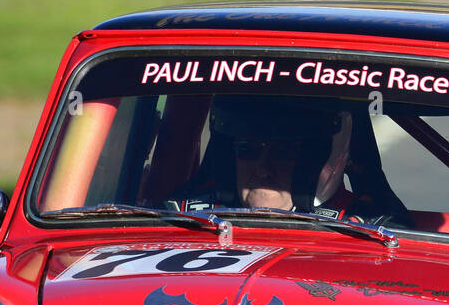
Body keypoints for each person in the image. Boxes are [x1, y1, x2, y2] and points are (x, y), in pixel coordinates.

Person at [166, 95, 407, 225]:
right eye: (248, 149)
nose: (262, 170)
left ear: (320, 160)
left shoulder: (371, 230)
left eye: (283, 152)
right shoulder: (176, 217)